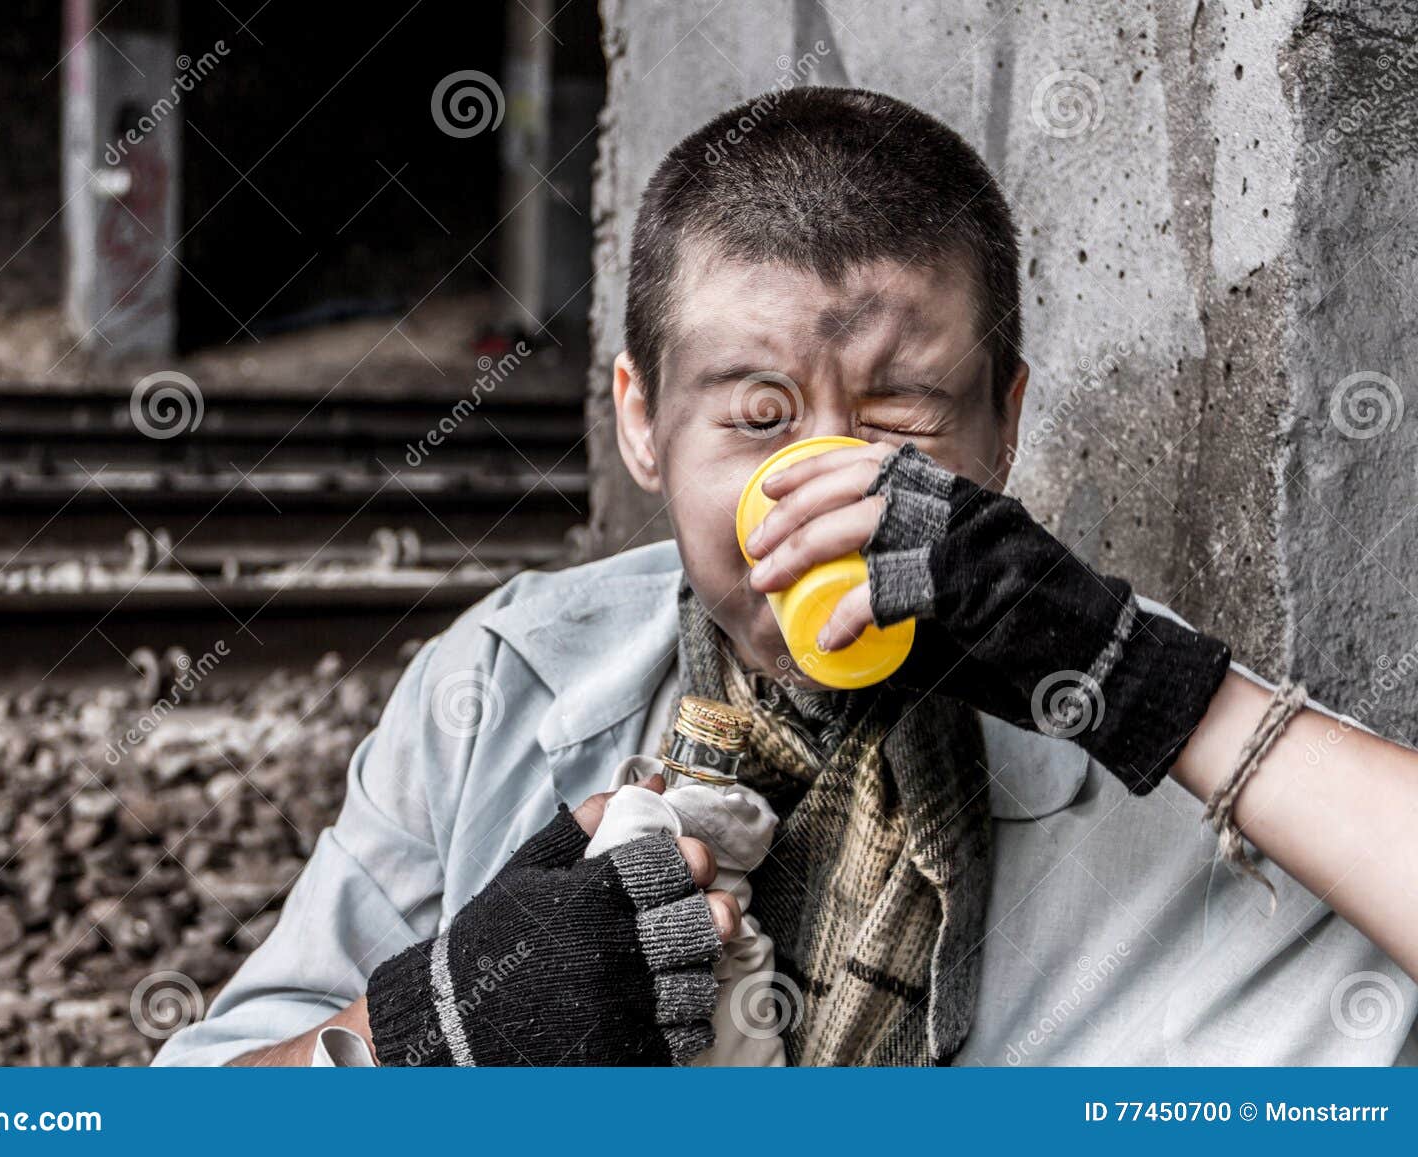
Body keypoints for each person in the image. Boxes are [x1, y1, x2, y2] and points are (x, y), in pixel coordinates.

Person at [155, 87, 1418, 1067]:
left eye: (901, 422)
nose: (827, 501)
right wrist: (425, 1040)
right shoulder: (507, 686)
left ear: (1005, 425)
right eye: (758, 419)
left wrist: (1150, 686)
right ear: (641, 421)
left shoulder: (1123, 699)